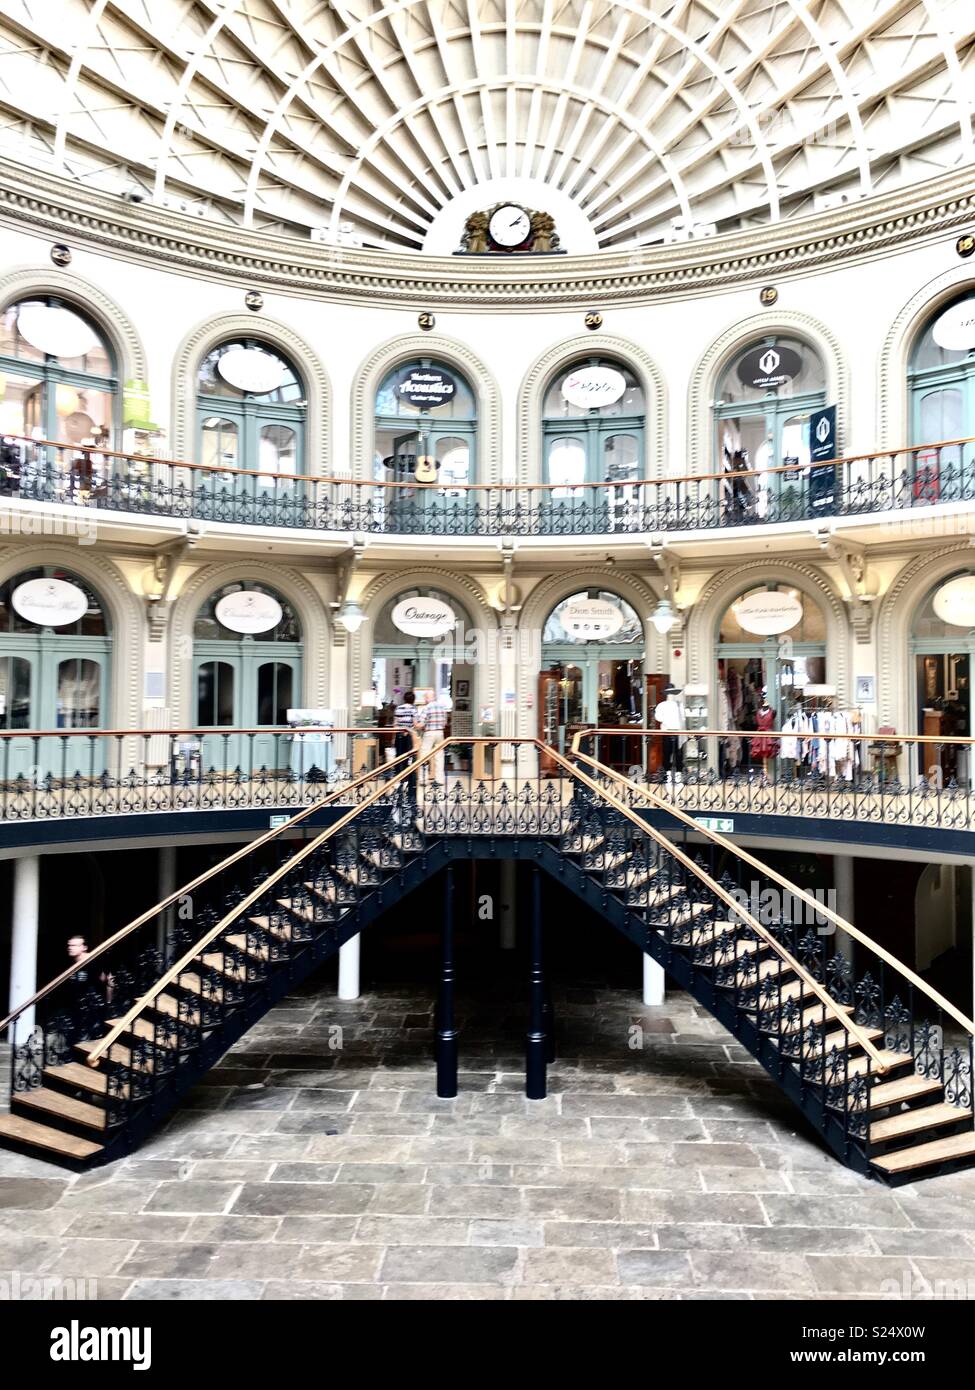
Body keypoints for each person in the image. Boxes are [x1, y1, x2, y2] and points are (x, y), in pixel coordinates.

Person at [416, 691, 450, 786]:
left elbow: (421, 724)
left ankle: (423, 780)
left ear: (427, 698)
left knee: (424, 756)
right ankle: (439, 780)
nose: (425, 700)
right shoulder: (442, 707)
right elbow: (445, 723)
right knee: (439, 757)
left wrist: (416, 725)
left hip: (429, 733)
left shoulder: (427, 708)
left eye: (425, 698)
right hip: (440, 733)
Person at [654, 682, 687, 779]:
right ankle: (672, 775)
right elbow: (659, 718)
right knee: (673, 754)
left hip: (672, 732)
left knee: (672, 754)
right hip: (670, 732)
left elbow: (659, 718)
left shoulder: (673, 705)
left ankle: (673, 775)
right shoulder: (664, 705)